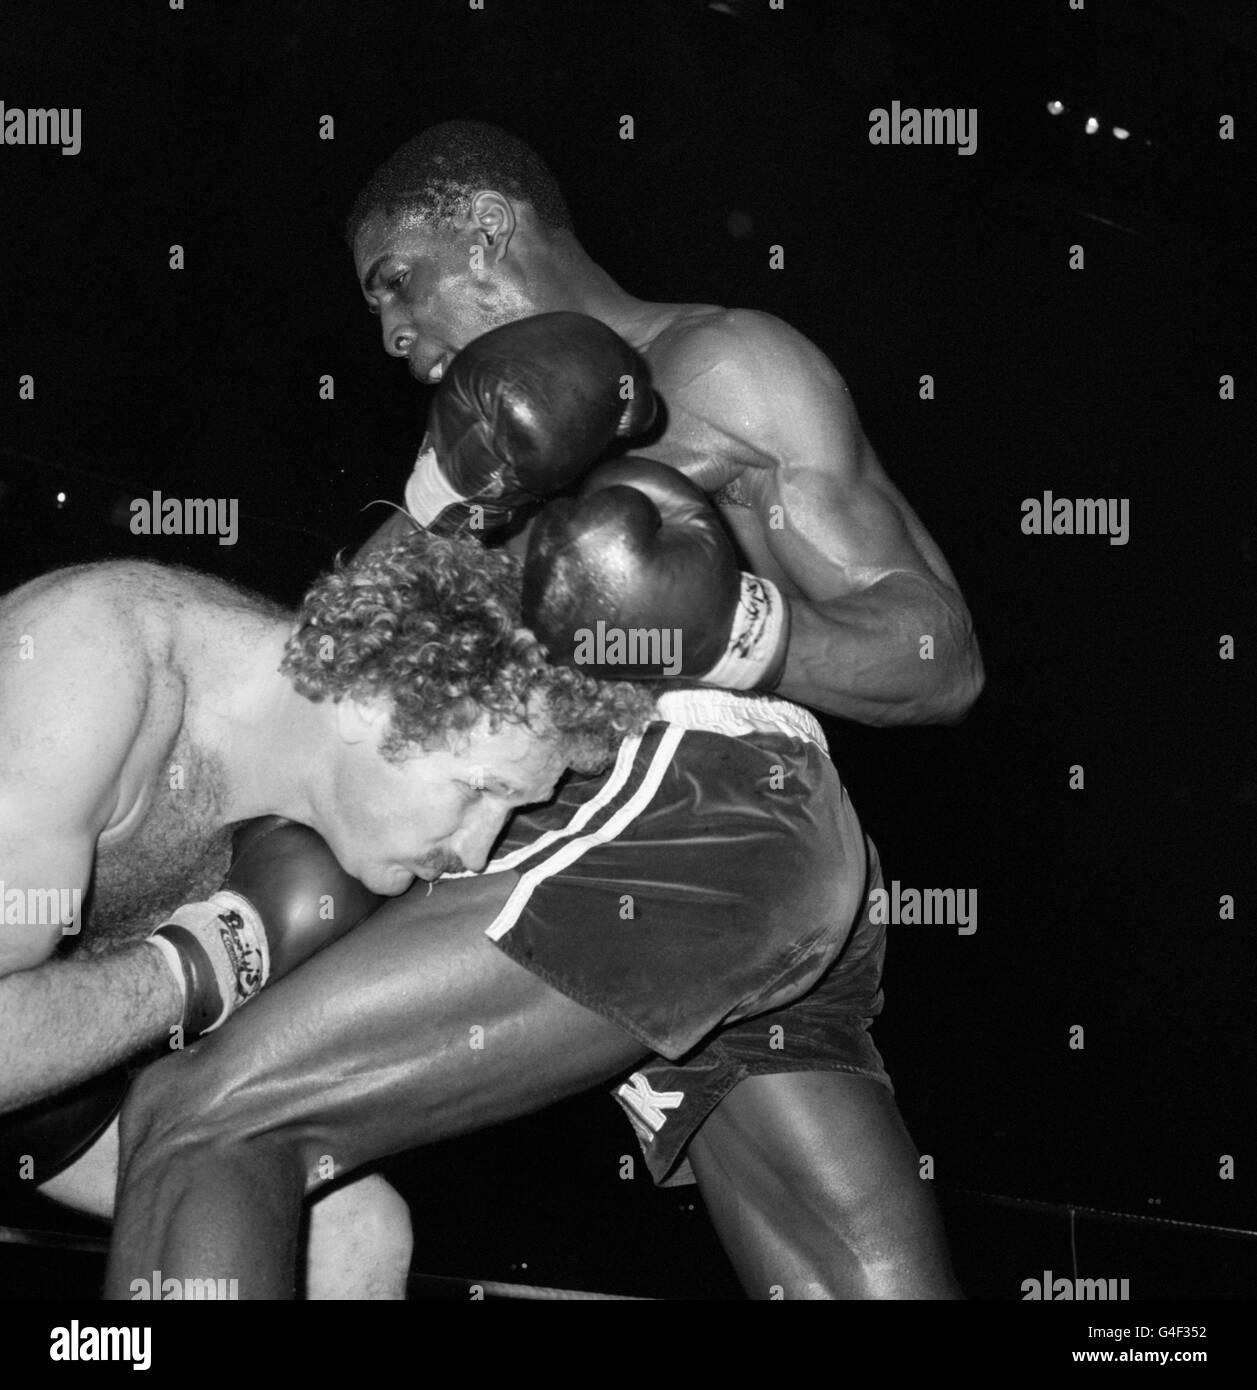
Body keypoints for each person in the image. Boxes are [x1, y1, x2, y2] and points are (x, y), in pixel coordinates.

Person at [104, 121, 984, 1300]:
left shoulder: (721, 366)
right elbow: (328, 676)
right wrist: (437, 500)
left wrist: (734, 631)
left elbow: (940, 657)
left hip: (687, 813)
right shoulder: (479, 446)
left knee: (200, 1122)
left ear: (485, 231)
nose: (391, 336)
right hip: (688, 895)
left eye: (397, 284)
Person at [0, 529, 649, 1297]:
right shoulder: (88, 680)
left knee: (351, 1233)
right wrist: (203, 965)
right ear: (371, 702)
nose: (475, 850)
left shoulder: (304, 706)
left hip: (50, 1068)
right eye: (479, 790)